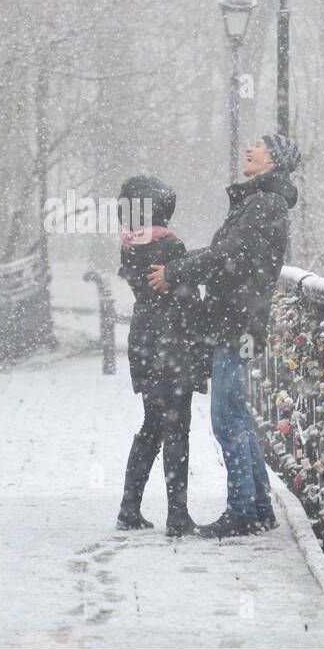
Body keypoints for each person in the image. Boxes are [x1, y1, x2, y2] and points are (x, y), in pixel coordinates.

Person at [148, 134, 302, 538]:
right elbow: (224, 251)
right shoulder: (261, 202)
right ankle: (259, 507)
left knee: (226, 420)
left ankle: (242, 512)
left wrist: (175, 271)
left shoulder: (262, 204)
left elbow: (227, 256)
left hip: (236, 325)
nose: (250, 149)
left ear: (272, 162)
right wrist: (182, 263)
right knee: (238, 418)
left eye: (259, 146)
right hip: (238, 322)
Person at [114, 175, 210, 537]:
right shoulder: (167, 245)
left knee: (152, 426)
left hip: (145, 341)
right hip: (172, 343)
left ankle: (129, 507)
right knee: (177, 428)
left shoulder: (132, 244)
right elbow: (185, 285)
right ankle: (177, 514)